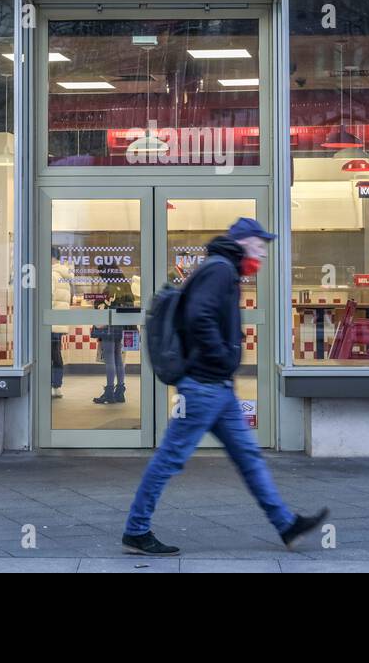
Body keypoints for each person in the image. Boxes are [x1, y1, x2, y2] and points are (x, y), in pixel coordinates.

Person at [122, 218, 329, 556]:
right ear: (244, 242)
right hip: (203, 386)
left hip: (217, 388)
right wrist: (220, 355)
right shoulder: (219, 269)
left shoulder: (225, 270)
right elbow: (198, 317)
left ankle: (286, 525)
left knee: (248, 456)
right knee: (170, 458)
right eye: (260, 245)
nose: (262, 253)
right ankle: (136, 529)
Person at [50, 247, 73, 398]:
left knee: (49, 353)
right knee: (56, 352)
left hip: (50, 321)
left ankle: (52, 385)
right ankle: (57, 386)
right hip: (60, 320)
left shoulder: (52, 274)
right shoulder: (65, 275)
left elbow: (49, 297)